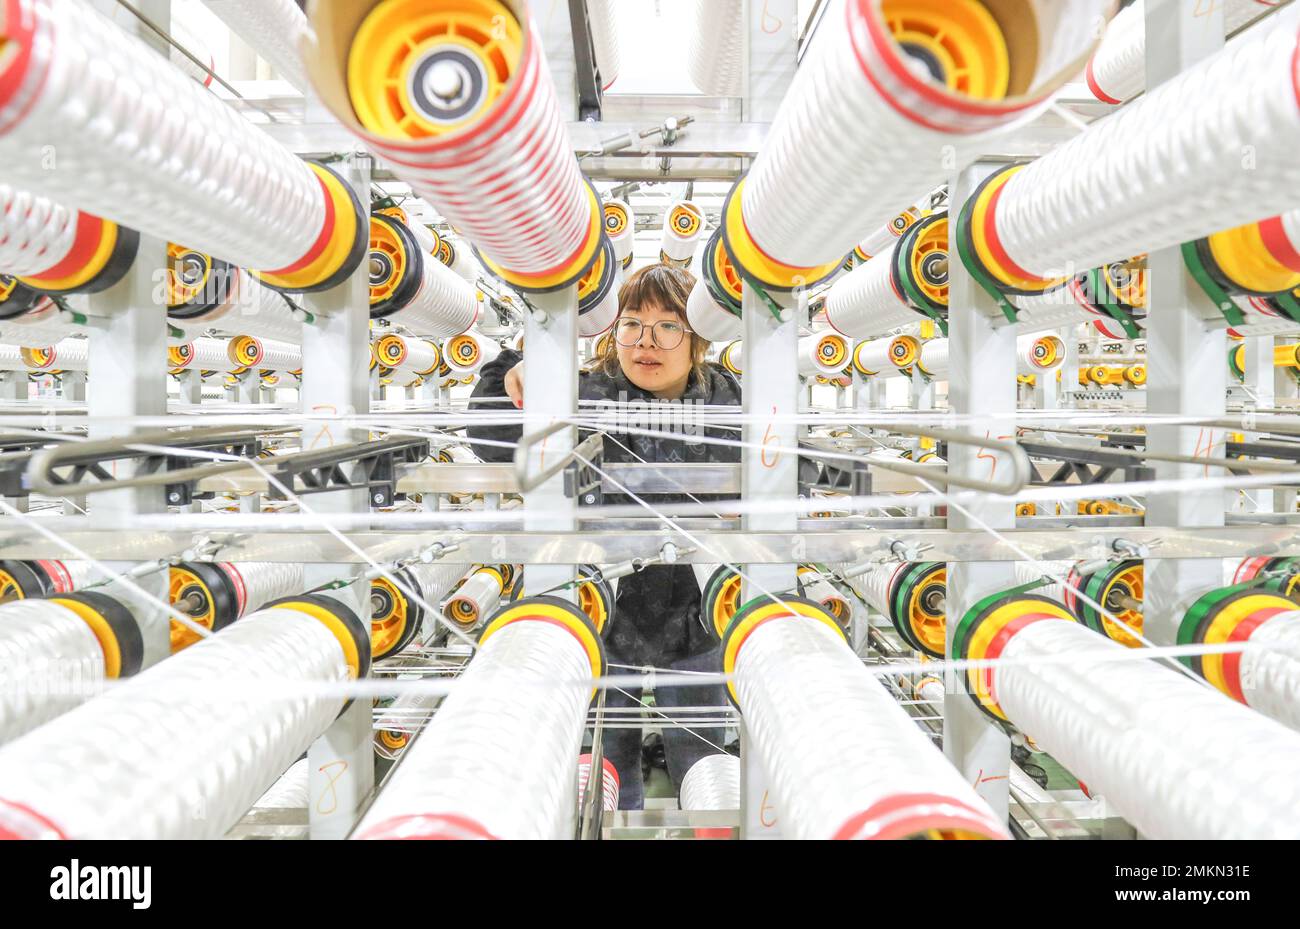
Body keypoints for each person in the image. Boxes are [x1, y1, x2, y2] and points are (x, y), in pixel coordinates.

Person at [467, 263, 740, 809]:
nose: (647, 342)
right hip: (598, 616)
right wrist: (518, 365)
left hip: (696, 620)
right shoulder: (583, 393)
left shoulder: (729, 403)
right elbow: (489, 441)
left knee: (704, 760)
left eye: (669, 327)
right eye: (631, 324)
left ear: (698, 340)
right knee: (602, 772)